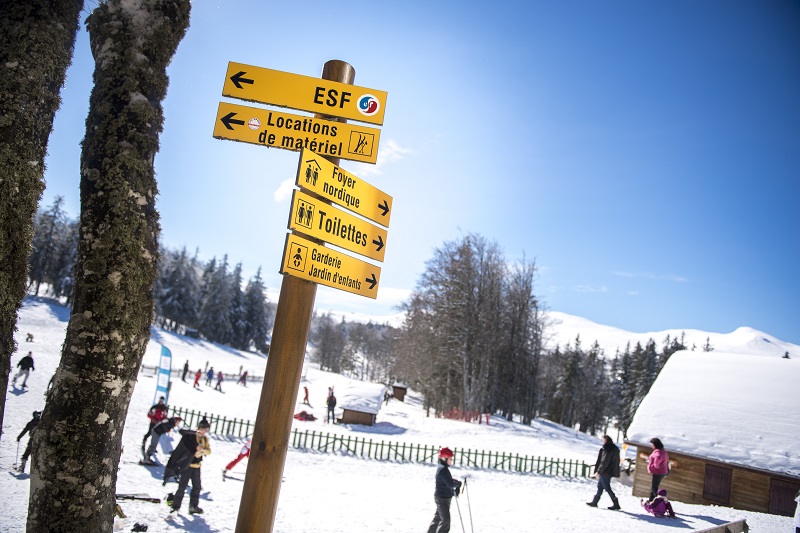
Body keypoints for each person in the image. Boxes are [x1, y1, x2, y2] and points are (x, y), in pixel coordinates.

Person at [166, 418, 211, 514]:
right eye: (204, 429)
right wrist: (196, 448)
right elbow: (184, 437)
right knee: (182, 486)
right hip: (187, 466)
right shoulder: (191, 436)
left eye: (206, 430)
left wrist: (202, 450)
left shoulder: (205, 439)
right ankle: (176, 506)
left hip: (197, 466)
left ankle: (193, 506)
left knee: (197, 487)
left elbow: (208, 451)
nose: (205, 432)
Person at [426, 447, 462, 533]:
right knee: (445, 521)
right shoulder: (443, 470)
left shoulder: (443, 469)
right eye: (450, 459)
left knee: (438, 518)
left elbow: (448, 481)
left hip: (442, 498)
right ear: (444, 458)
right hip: (442, 499)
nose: (451, 461)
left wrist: (455, 483)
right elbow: (449, 484)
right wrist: (457, 484)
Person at [587, 435, 621, 510]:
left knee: (607, 487)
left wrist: (599, 471)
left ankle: (616, 503)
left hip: (605, 471)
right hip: (609, 471)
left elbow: (604, 461)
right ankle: (595, 501)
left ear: (606, 440)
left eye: (603, 440)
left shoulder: (607, 448)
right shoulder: (614, 448)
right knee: (600, 486)